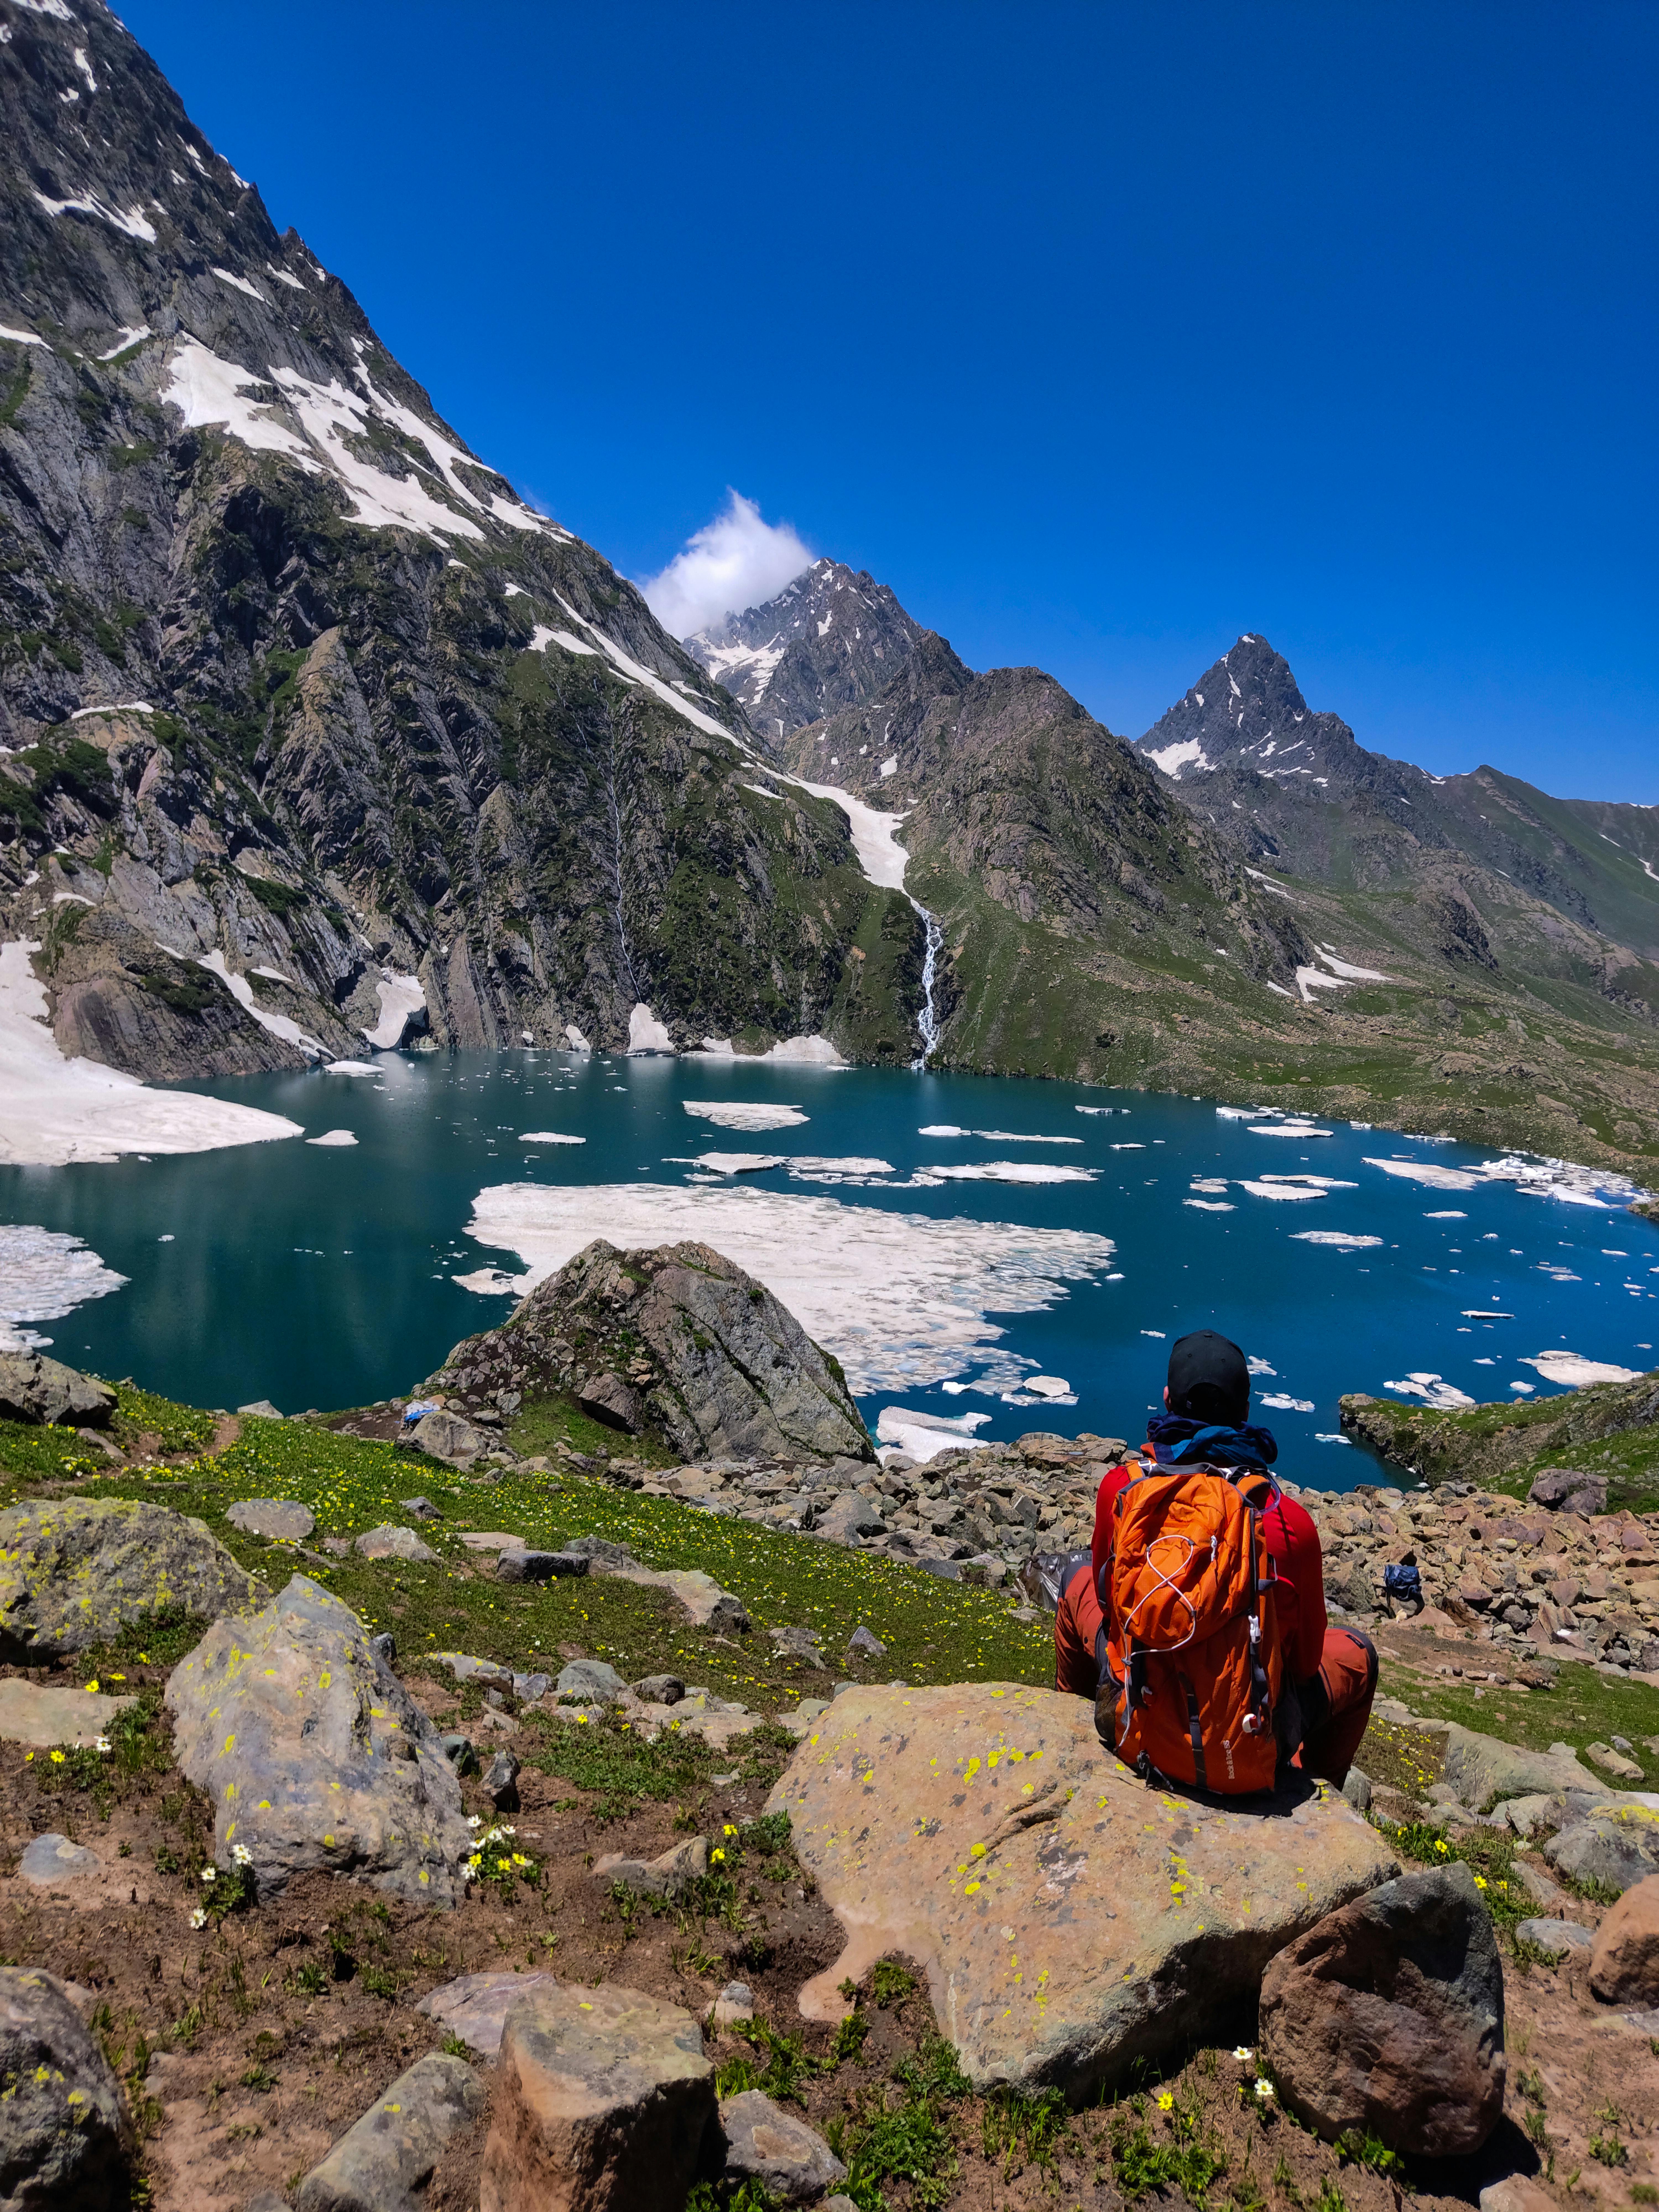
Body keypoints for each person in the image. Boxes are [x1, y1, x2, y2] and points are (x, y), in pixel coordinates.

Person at [1053, 1327, 1376, 1788]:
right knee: (1358, 1654)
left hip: (1139, 1719)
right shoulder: (1287, 1522)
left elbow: (1109, 1606)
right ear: (1245, 1412)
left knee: (1074, 1580)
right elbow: (1304, 1667)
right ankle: (1309, 1783)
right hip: (1243, 1741)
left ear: (1166, 1399)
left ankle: (1088, 1722)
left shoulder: (1121, 1490)